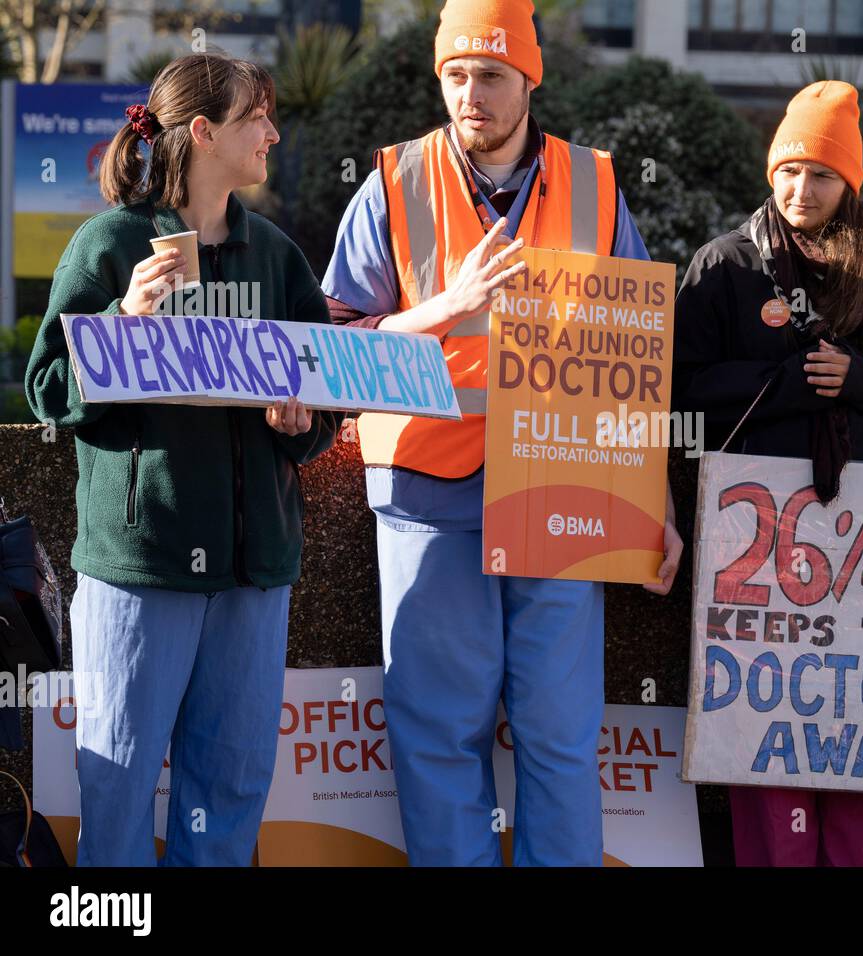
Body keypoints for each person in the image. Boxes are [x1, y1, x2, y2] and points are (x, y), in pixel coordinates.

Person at [322, 0, 681, 866]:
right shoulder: (395, 183)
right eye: (455, 75)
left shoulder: (597, 184)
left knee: (561, 735)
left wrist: (656, 500)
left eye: (490, 75)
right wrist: (444, 311)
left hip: (565, 491)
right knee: (440, 733)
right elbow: (332, 351)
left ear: (530, 78)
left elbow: (632, 353)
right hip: (427, 491)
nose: (470, 94)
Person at [25, 53, 341, 866]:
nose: (273, 133)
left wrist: (297, 418)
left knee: (230, 789)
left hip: (255, 573)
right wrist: (123, 323)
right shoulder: (109, 243)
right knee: (119, 784)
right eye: (255, 119)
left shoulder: (276, 255)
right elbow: (48, 388)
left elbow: (321, 407)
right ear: (202, 133)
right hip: (141, 570)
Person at [673, 80, 863, 866]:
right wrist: (783, 386)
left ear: (848, 184)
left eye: (821, 174)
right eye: (788, 169)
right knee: (767, 730)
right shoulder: (722, 266)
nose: (800, 188)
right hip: (757, 548)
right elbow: (679, 396)